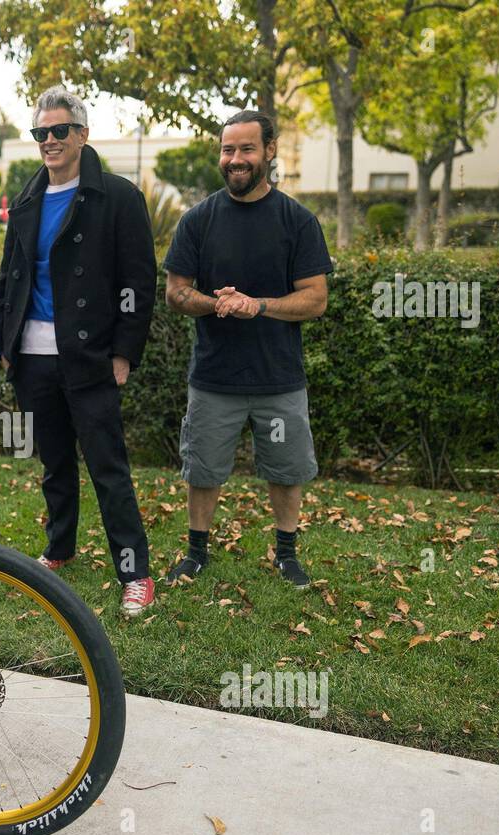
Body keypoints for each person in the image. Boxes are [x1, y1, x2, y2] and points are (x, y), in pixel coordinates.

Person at [0, 87, 156, 617]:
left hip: (89, 356)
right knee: (54, 463)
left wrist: (125, 351)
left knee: (108, 467)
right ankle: (60, 547)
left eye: (60, 131)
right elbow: (9, 277)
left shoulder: (117, 197)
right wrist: (4, 343)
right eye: (41, 133)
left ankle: (135, 572)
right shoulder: (27, 199)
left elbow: (138, 282)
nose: (50, 141)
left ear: (82, 135)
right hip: (33, 355)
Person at [162, 109, 332, 590]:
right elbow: (176, 292)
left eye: (246, 149)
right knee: (204, 469)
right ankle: (196, 552)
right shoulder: (198, 220)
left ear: (269, 151)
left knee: (286, 468)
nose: (235, 159)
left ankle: (286, 554)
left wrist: (256, 306)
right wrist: (216, 303)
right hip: (215, 377)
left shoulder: (297, 221)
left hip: (279, 378)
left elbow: (315, 299)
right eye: (228, 149)